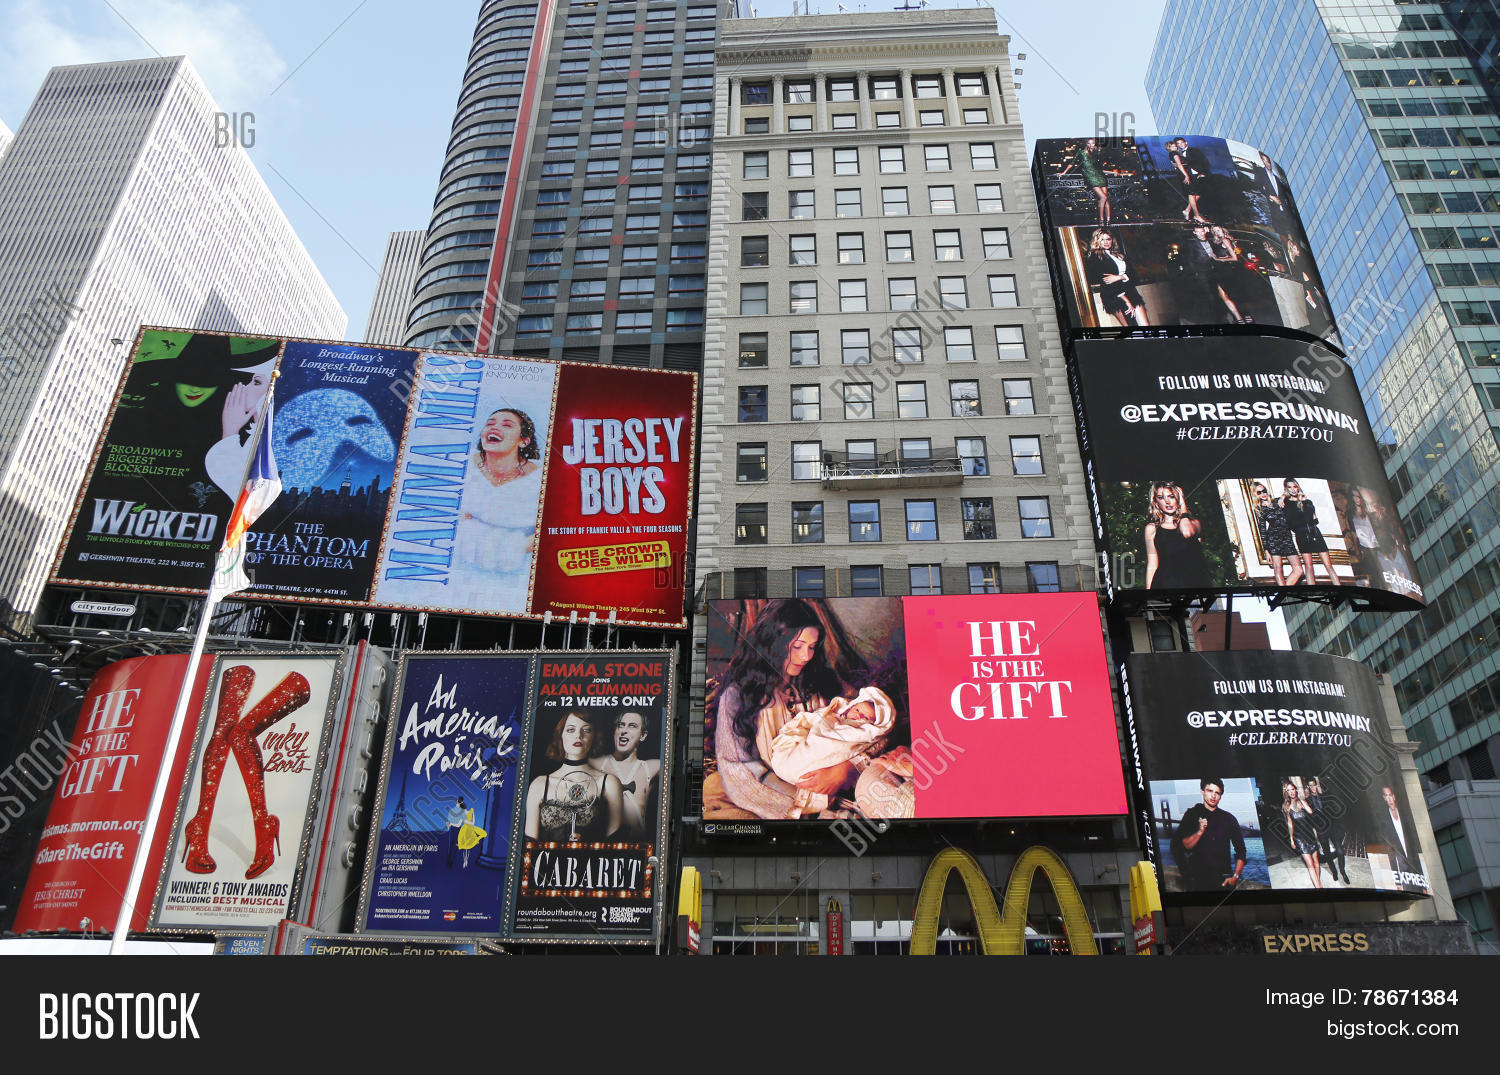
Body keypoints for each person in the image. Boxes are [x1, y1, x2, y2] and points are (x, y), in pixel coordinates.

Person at [710, 600, 859, 819]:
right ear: (773, 642)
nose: (806, 656)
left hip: (841, 782)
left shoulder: (821, 681)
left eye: (811, 647)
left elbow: (872, 724)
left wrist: (845, 770)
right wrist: (812, 802)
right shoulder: (737, 695)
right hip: (783, 796)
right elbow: (740, 771)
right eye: (797, 646)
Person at [453, 407, 544, 610]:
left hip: (516, 585)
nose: (495, 428)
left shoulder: (541, 478)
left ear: (523, 441)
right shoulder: (461, 463)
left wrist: (515, 547)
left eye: (507, 425)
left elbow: (553, 529)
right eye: (490, 423)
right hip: (457, 575)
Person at [768, 686, 896, 813]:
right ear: (851, 707)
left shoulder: (863, 734)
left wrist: (844, 769)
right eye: (857, 709)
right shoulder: (833, 715)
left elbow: (870, 744)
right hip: (806, 749)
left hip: (829, 769)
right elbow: (810, 721)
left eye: (866, 718)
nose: (858, 715)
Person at [523, 711, 623, 842]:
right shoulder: (540, 784)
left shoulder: (608, 783)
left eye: (586, 730)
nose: (578, 735)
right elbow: (529, 846)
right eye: (571, 730)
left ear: (594, 737)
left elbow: (615, 844)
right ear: (560, 735)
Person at [592, 710, 661, 840]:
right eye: (621, 725)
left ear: (643, 735)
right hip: (603, 844)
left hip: (638, 845)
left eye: (632, 726)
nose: (624, 730)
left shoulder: (651, 767)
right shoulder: (595, 764)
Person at [1172, 778, 1246, 889]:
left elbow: (1241, 850)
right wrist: (1200, 831)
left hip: (1224, 880)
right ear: (1202, 791)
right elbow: (1185, 846)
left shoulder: (1229, 818)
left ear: (1221, 796)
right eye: (1210, 791)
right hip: (1197, 880)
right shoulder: (1192, 814)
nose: (1213, 796)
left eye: (1217, 793)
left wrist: (1235, 877)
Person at [1144, 481, 1211, 589]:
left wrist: (1182, 505)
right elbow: (1152, 565)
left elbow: (1186, 532)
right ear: (1156, 502)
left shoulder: (1194, 524)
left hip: (1195, 585)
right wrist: (1148, 594)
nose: (1167, 502)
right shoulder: (1151, 529)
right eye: (1161, 497)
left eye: (1171, 496)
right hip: (1165, 586)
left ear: (1179, 498)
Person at [1083, 229, 1147, 327]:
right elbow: (1108, 281)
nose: (1106, 242)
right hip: (1115, 296)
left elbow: (1134, 275)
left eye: (1108, 239)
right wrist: (1126, 300)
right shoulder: (1095, 257)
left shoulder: (1119, 255)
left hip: (1131, 292)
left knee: (1145, 326)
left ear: (1112, 240)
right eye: (1102, 239)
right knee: (1131, 328)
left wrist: (1120, 277)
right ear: (1096, 241)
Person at [1283, 478, 1339, 586]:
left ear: (1298, 487)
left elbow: (1315, 520)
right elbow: (1290, 524)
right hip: (1301, 536)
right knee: (1308, 566)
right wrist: (1282, 497)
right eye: (1290, 487)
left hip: (1315, 533)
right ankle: (1312, 591)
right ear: (1286, 489)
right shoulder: (1286, 504)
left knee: (1328, 565)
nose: (1293, 489)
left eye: (1295, 486)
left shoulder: (1307, 501)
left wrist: (1305, 504)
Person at [1252, 481, 1303, 586]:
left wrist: (1282, 498)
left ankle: (1285, 590)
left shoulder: (1277, 501)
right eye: (1259, 492)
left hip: (1287, 537)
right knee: (1278, 568)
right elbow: (1262, 531)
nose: (1263, 494)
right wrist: (1266, 550)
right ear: (1256, 495)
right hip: (1273, 539)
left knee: (1298, 570)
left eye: (1264, 491)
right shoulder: (1261, 509)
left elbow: (1289, 494)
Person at [1207, 224, 1255, 324]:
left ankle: (1243, 317)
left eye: (1218, 230)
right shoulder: (1218, 241)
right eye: (1214, 231)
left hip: (1226, 271)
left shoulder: (1225, 240)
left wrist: (1219, 259)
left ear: (1223, 230)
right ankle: (1242, 317)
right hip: (1220, 271)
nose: (1216, 232)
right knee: (1226, 296)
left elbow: (1234, 258)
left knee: (1230, 296)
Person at [1057, 137, 1111, 224]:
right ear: (1086, 144)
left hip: (1100, 176)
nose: (1091, 145)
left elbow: (1098, 166)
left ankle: (1108, 221)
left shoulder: (1095, 152)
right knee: (1103, 197)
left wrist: (1111, 172)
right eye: (1089, 143)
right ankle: (1101, 220)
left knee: (1106, 199)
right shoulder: (1081, 152)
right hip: (1090, 176)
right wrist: (1064, 172)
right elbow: (1072, 163)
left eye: (1093, 143)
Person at [1283, 779, 1324, 888]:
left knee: (1316, 862)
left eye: (1292, 789)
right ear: (1286, 792)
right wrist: (1291, 839)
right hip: (1299, 838)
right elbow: (1290, 824)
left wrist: (1302, 801)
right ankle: (1319, 887)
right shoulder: (1287, 807)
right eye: (1288, 790)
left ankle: (1317, 883)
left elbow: (1310, 812)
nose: (1291, 792)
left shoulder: (1302, 802)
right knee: (1310, 864)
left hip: (1310, 835)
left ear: (1296, 790)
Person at [1306, 777, 1348, 884]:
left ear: (1317, 785)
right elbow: (1309, 819)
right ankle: (1334, 872)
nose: (1313, 787)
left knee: (1340, 851)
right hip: (1321, 831)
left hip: (1332, 828)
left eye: (1314, 785)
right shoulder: (1307, 802)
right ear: (1308, 787)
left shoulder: (1325, 796)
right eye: (1310, 786)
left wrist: (1338, 827)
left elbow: (1334, 812)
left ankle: (1343, 872)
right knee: (1327, 854)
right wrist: (1315, 831)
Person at [1378, 785, 1420, 879]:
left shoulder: (1404, 815)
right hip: (1401, 867)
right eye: (1386, 796)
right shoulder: (1384, 821)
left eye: (1390, 795)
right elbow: (1389, 848)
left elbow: (1413, 841)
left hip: (1413, 864)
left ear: (1394, 796)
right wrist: (1395, 875)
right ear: (1384, 798)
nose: (1389, 799)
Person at [1345, 488, 1383, 584]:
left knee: (1380, 568)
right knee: (1371, 570)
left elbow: (1375, 527)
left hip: (1374, 543)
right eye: (1355, 496)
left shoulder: (1367, 511)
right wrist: (1357, 549)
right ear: (1351, 497)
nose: (1357, 499)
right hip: (1363, 545)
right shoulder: (1350, 513)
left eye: (1358, 496)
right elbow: (1353, 533)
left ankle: (1381, 583)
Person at [1169, 137, 1208, 222]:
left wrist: (1203, 173)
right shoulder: (1175, 153)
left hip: (1196, 174)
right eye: (1178, 144)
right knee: (1192, 193)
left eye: (1181, 143)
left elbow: (1204, 161)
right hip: (1187, 175)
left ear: (1186, 142)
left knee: (1198, 194)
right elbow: (1178, 164)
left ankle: (1187, 210)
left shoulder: (1193, 150)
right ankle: (1196, 215)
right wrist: (1184, 173)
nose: (1180, 145)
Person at [455, 802, 486, 868]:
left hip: (467, 829)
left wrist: (467, 822)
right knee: (466, 845)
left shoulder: (466, 813)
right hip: (467, 829)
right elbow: (472, 822)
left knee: (467, 844)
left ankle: (466, 860)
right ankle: (465, 860)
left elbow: (471, 822)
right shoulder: (468, 812)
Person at [445, 799, 466, 868]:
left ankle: (450, 861)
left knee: (452, 845)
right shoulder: (461, 811)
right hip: (457, 829)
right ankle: (451, 862)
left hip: (453, 829)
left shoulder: (453, 810)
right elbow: (459, 823)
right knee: (455, 846)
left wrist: (449, 826)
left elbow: (448, 822)